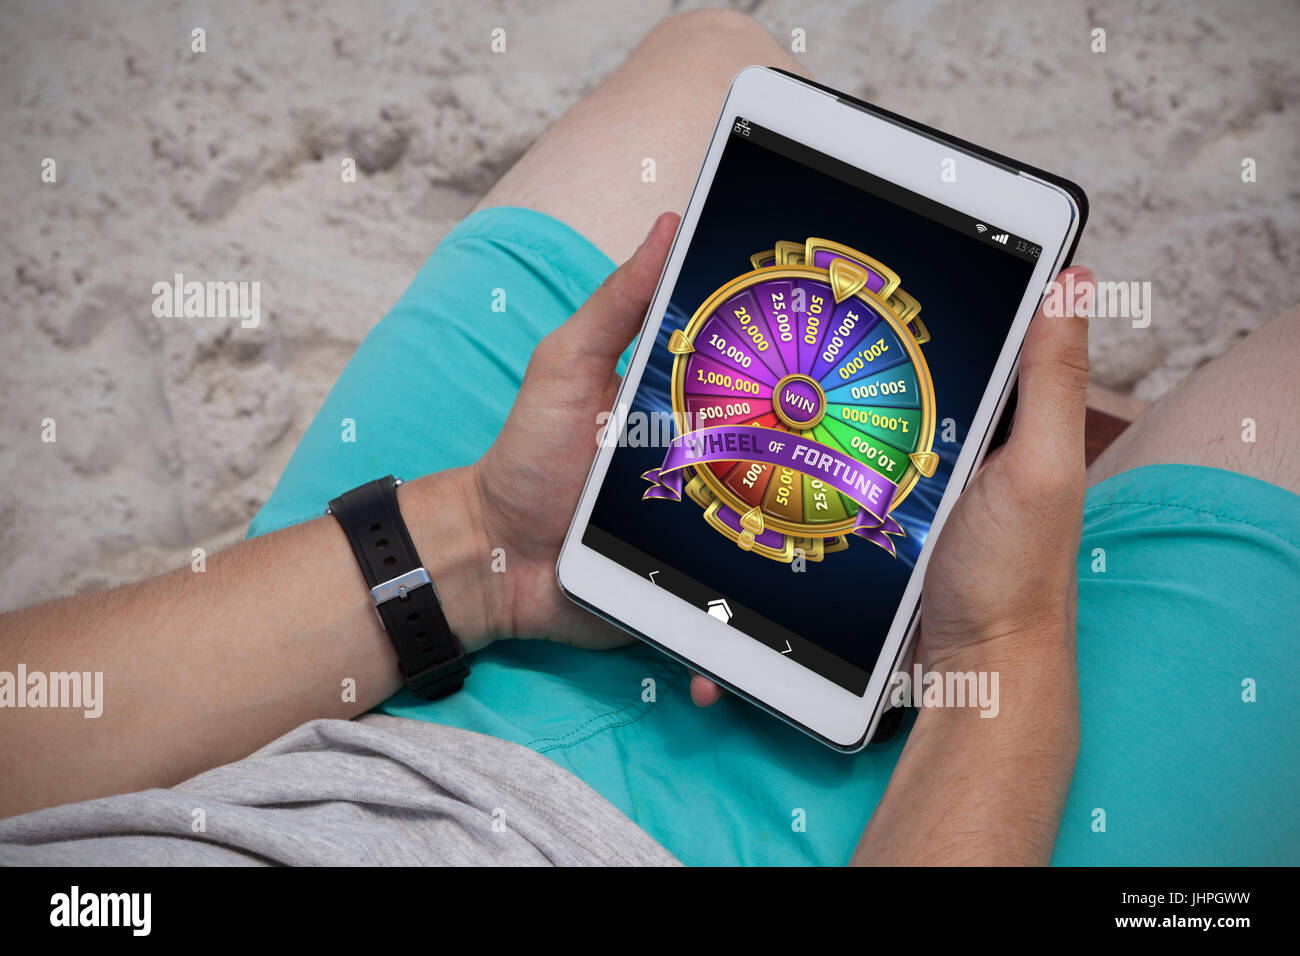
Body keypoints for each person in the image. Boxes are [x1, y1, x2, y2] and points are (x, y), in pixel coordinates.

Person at [0, 10, 1296, 866]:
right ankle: (1082, 483)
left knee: (708, 60)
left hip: (307, 707)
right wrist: (999, 662)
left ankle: (1063, 467)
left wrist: (481, 545)